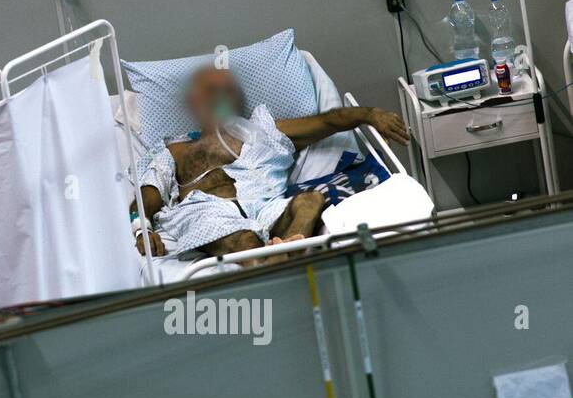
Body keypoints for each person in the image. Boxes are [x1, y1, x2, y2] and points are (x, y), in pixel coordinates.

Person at [135, 65, 409, 259]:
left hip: (265, 207)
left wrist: (370, 114)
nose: (221, 96)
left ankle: (283, 257)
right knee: (247, 241)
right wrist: (141, 230)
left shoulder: (264, 132)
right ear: (194, 101)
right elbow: (144, 198)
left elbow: (328, 120)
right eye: (211, 91)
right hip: (207, 213)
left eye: (228, 90)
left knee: (310, 201)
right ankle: (286, 261)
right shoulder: (176, 151)